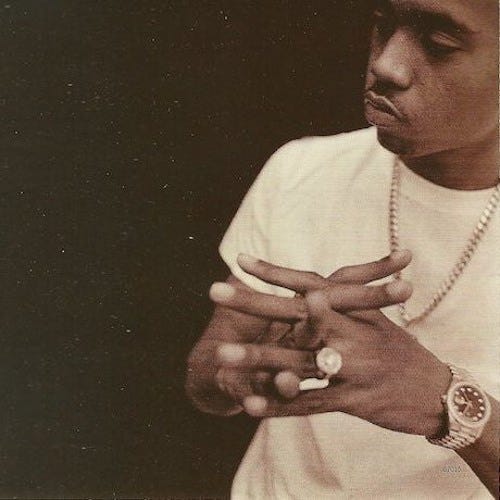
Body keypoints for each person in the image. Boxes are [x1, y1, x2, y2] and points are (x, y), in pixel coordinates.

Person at [186, 0, 499, 498]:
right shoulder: (302, 170)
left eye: (439, 44)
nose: (386, 64)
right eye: (384, 25)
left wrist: (443, 399)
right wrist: (254, 365)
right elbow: (207, 381)